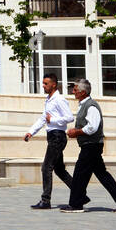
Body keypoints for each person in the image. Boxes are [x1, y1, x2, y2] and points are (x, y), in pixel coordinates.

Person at [59, 78, 116, 213]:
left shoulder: (91, 106)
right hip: (90, 145)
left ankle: (75, 204)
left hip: (91, 145)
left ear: (83, 92)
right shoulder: (84, 104)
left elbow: (92, 127)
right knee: (101, 174)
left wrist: (77, 132)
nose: (72, 92)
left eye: (75, 89)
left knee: (80, 173)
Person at [24, 73, 74, 209]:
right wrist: (31, 132)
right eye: (43, 83)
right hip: (52, 136)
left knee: (46, 168)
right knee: (59, 170)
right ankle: (80, 193)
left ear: (54, 84)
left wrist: (53, 120)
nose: (43, 86)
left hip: (58, 136)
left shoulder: (59, 99)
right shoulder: (48, 99)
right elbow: (43, 119)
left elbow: (70, 117)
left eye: (46, 84)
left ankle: (45, 200)